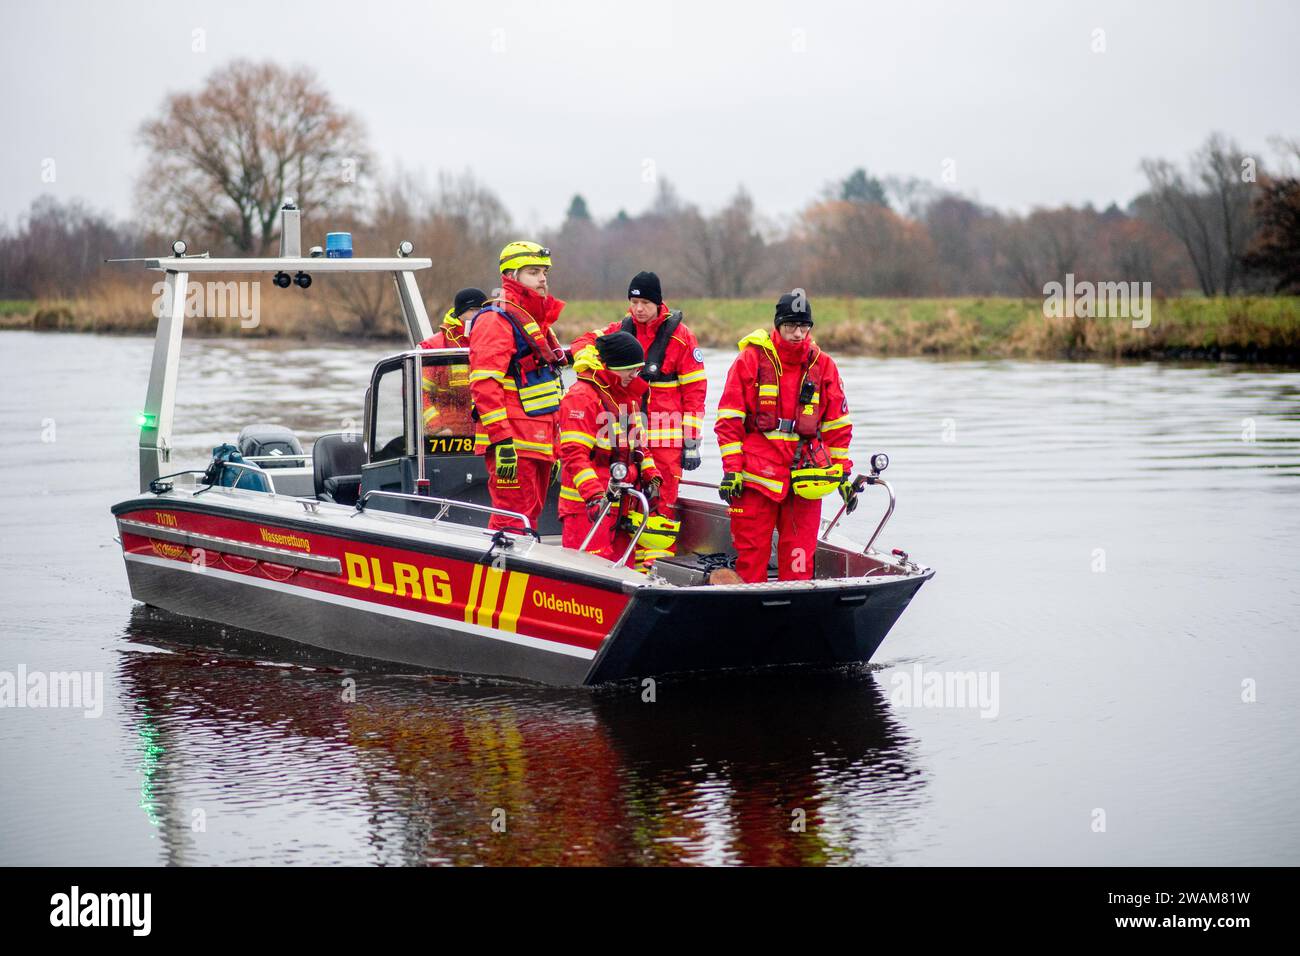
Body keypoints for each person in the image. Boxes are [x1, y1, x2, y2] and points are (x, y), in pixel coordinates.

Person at [713, 291, 855, 583]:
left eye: (804, 326)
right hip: (756, 477)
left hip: (805, 477)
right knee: (751, 556)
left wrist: (842, 475)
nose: (798, 333)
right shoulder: (750, 359)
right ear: (777, 325)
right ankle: (750, 616)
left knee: (800, 558)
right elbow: (729, 420)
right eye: (791, 325)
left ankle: (795, 618)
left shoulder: (823, 365)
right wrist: (731, 471)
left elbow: (837, 427)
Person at [569, 271, 706, 546]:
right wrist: (588, 364)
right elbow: (581, 343)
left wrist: (691, 442)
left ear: (658, 303)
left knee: (661, 507)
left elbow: (695, 393)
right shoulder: (619, 329)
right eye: (634, 303)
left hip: (665, 438)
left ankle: (652, 567)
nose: (638, 309)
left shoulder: (681, 338)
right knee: (626, 505)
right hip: (629, 437)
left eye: (645, 302)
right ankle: (627, 563)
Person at [468, 242, 568, 532]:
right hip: (513, 442)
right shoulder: (495, 321)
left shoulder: (533, 319)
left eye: (544, 272)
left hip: (536, 440)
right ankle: (506, 571)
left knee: (529, 513)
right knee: (512, 517)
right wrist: (502, 442)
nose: (543, 279)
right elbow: (485, 385)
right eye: (533, 272)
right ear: (512, 276)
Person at [558, 332, 668, 569]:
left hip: (623, 503)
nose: (634, 375)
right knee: (588, 573)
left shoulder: (626, 397)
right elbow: (574, 455)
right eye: (630, 369)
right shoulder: (582, 398)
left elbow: (639, 447)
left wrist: (652, 477)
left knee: (624, 570)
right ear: (612, 366)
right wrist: (594, 497)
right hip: (587, 508)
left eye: (638, 370)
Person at [419, 287, 486, 438]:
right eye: (473, 310)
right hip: (447, 439)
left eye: (483, 311)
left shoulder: (494, 343)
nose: (479, 315)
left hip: (485, 437)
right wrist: (437, 428)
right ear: (460, 313)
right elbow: (419, 393)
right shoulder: (433, 346)